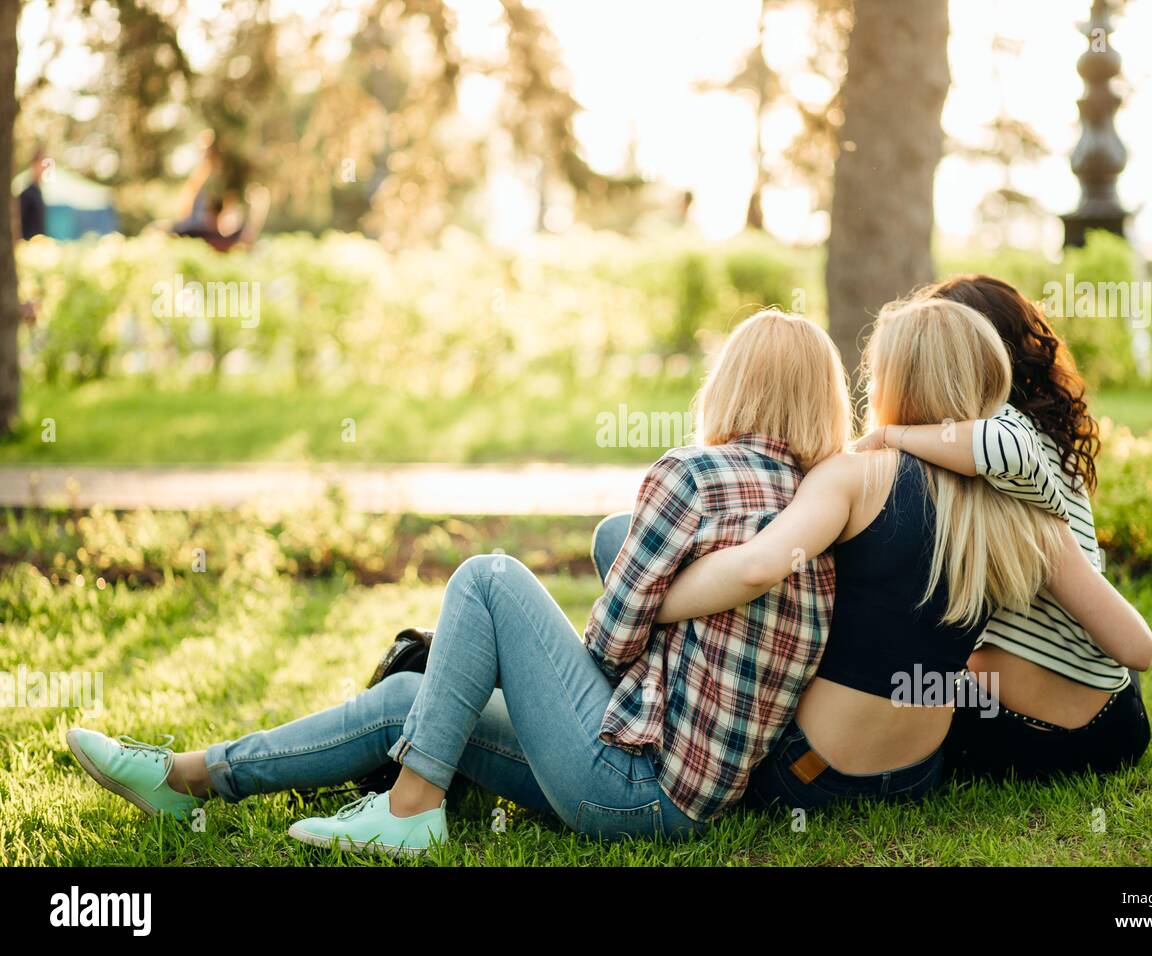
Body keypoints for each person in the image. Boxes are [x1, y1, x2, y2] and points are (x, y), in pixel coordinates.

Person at [65, 309, 852, 854]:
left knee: (489, 580)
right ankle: (189, 776)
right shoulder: (813, 511)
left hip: (629, 787)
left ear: (730, 385)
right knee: (419, 700)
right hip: (689, 801)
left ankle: (411, 809)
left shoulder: (695, 477)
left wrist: (543, 651)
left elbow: (610, 649)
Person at [651, 295, 1152, 811]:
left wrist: (653, 603)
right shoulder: (1022, 509)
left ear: (891, 383)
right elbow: (1138, 650)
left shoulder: (853, 475)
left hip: (813, 772)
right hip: (919, 774)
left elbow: (759, 566)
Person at [860, 275, 1152, 780]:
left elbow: (1135, 647)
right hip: (1105, 713)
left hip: (1044, 730)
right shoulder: (1010, 453)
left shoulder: (1015, 445)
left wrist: (888, 433)